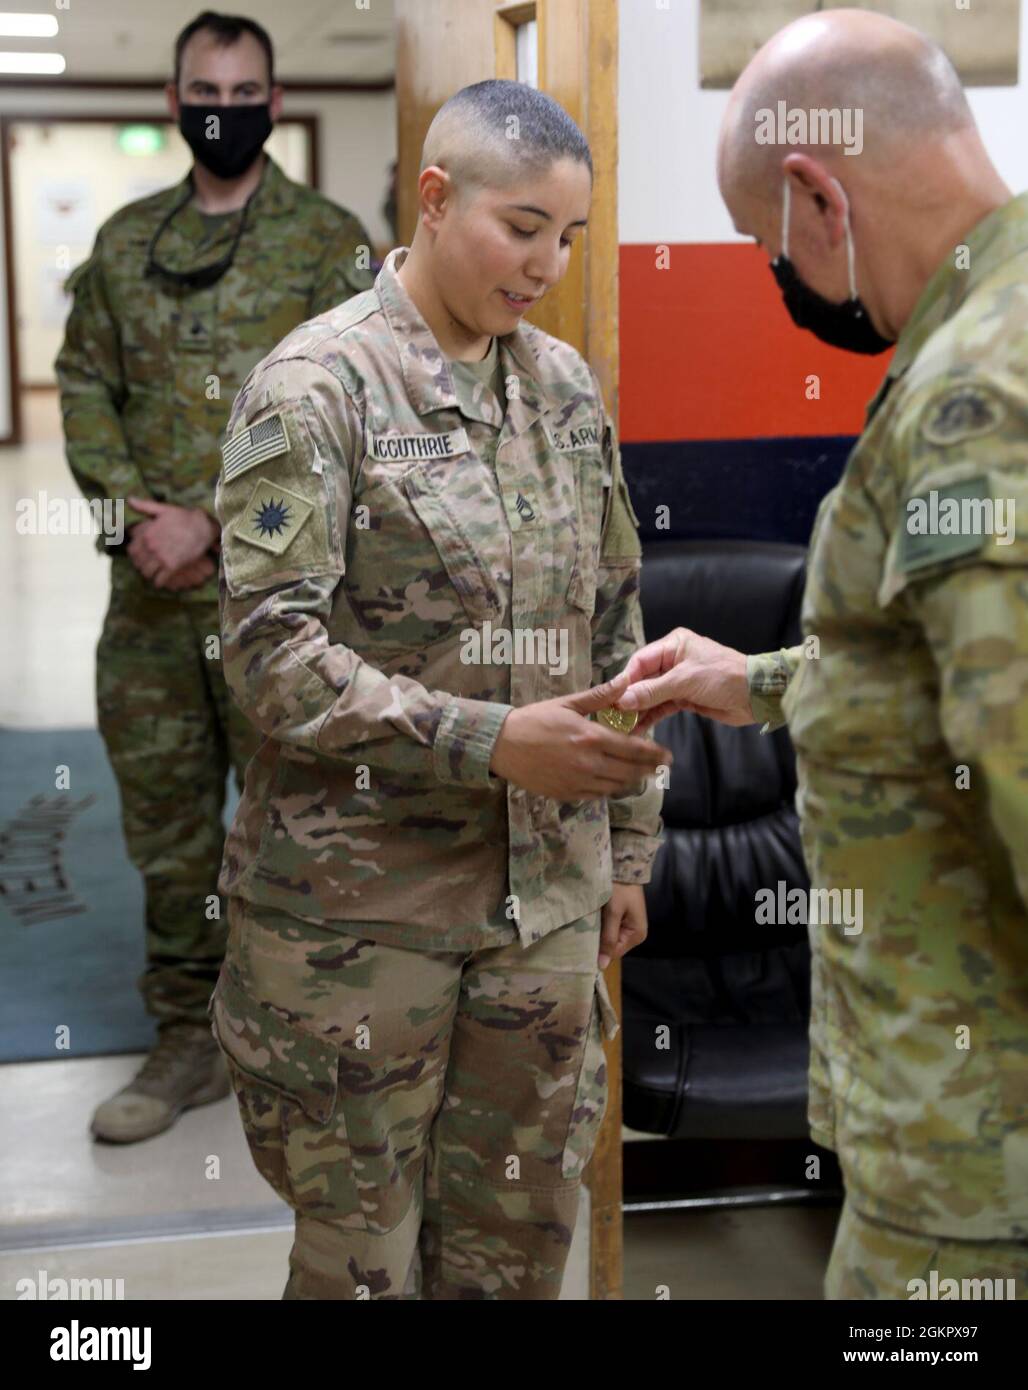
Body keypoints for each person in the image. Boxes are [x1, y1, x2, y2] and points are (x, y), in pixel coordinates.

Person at [210, 78, 667, 1299]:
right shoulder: (307, 392)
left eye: (566, 237)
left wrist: (625, 849)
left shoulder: (563, 388)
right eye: (521, 229)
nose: (546, 265)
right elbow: (267, 651)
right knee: (363, 1267)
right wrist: (485, 740)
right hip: (364, 922)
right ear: (433, 196)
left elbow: (612, 618)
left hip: (545, 914)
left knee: (513, 1256)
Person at [616, 9, 1028, 1298]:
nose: (772, 275)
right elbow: (940, 674)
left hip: (971, 1162)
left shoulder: (974, 396)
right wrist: (756, 684)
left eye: (760, 244)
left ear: (814, 195)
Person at [55, 10, 375, 1144]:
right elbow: (83, 385)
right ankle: (185, 1038)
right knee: (172, 834)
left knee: (300, 823)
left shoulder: (330, 243)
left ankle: (295, 1034)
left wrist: (217, 527)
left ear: (274, 106)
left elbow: (356, 424)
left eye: (245, 93)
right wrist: (130, 517)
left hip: (282, 612)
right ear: (173, 99)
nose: (223, 110)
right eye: (205, 89)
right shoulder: (125, 243)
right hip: (146, 605)